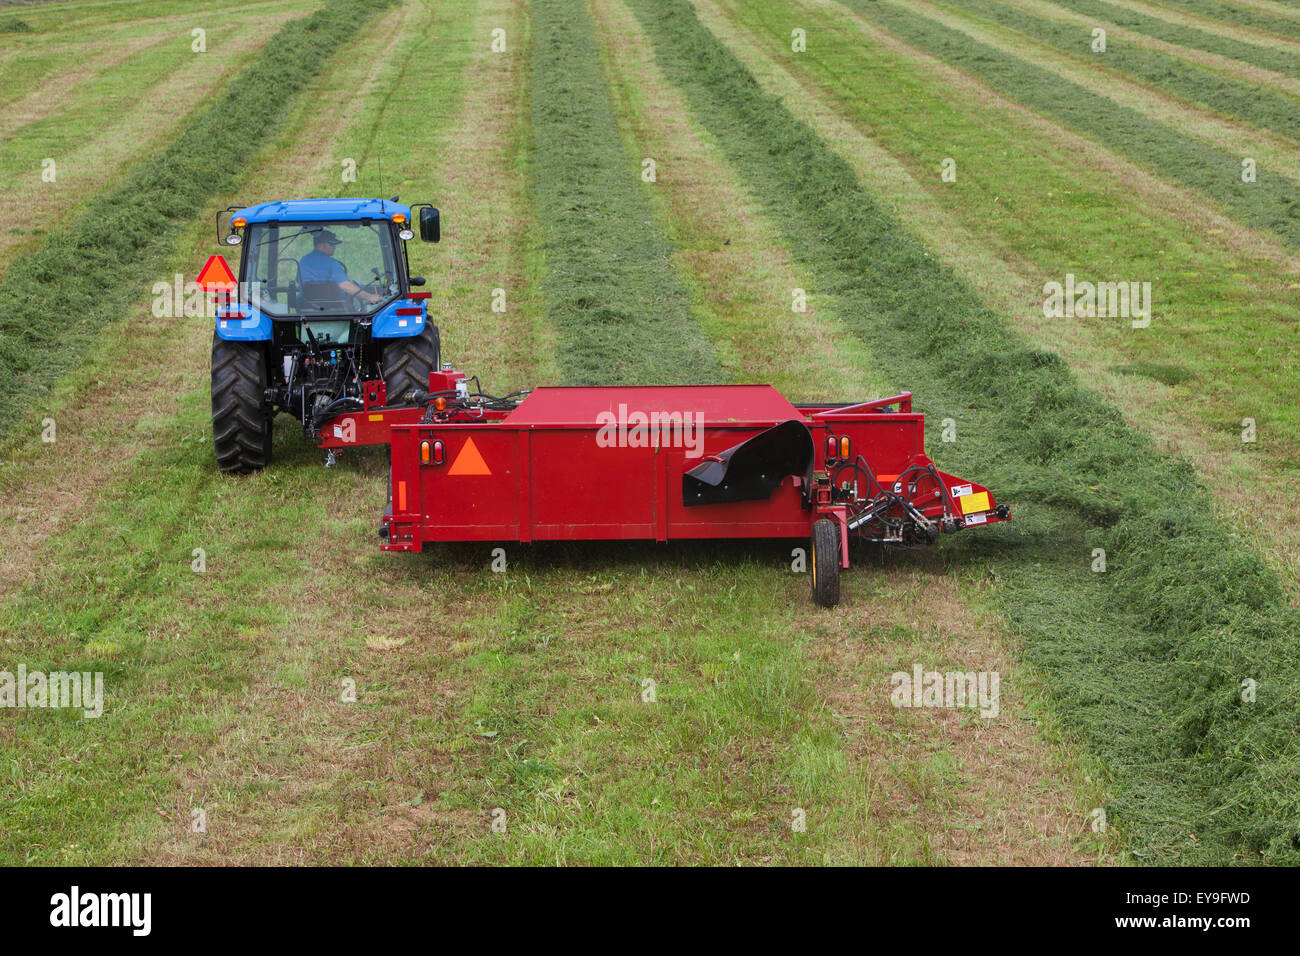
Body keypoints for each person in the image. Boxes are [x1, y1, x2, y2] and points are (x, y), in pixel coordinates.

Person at [298, 228, 381, 305]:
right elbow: (345, 285)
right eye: (331, 244)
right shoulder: (332, 263)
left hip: (306, 306)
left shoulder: (303, 261)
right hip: (334, 307)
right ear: (321, 245)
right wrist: (369, 297)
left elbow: (301, 282)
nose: (334, 247)